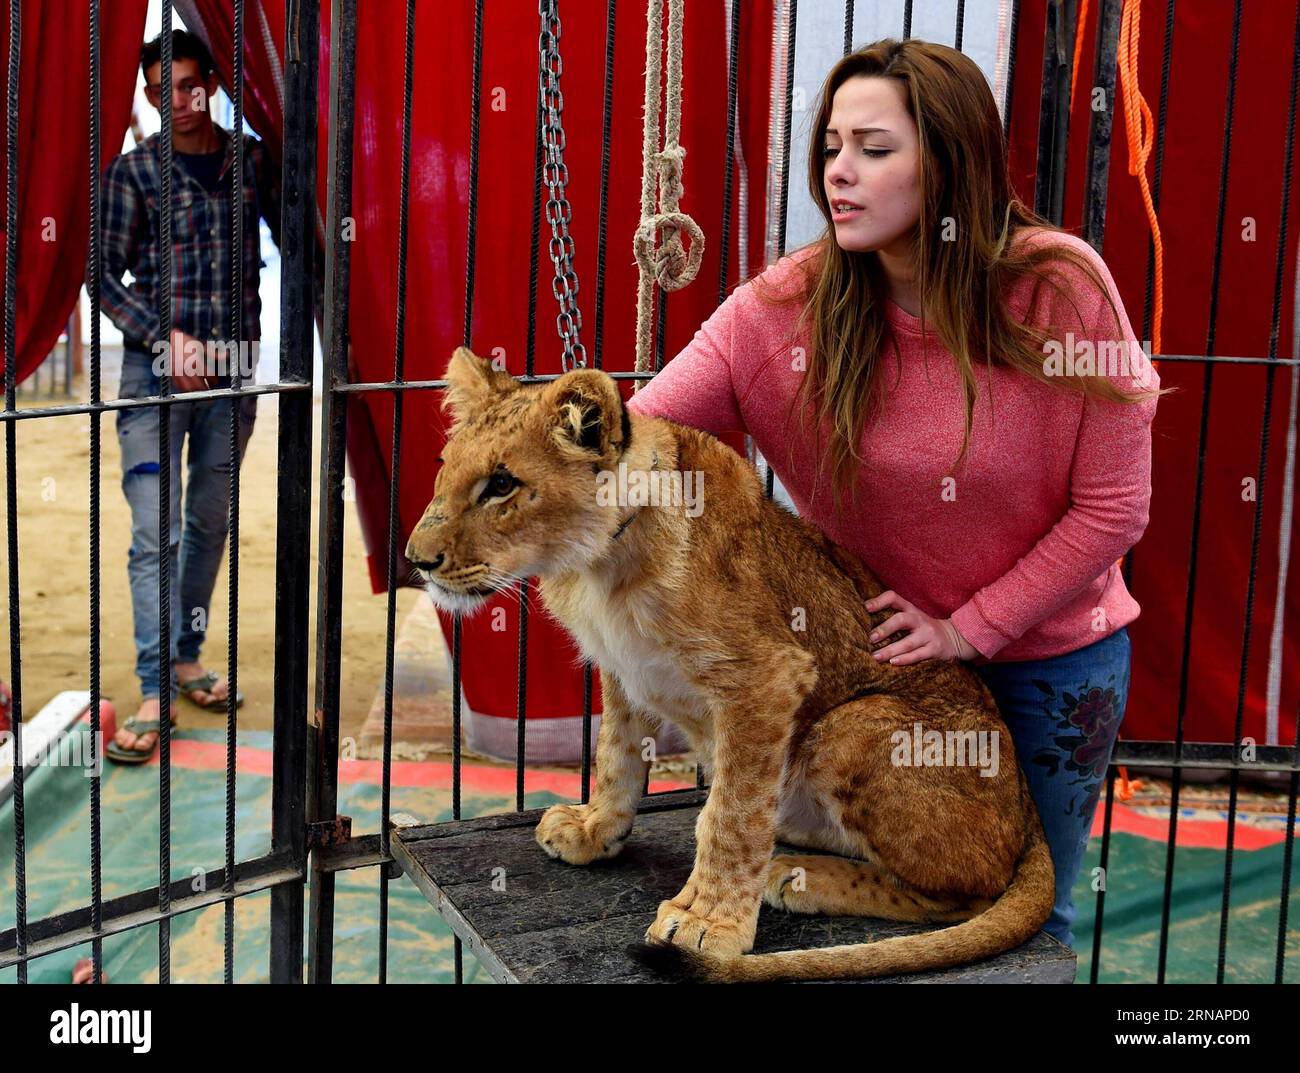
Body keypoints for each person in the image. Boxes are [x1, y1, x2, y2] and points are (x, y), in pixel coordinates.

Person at [625, 38, 1167, 949]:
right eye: (832, 147)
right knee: (854, 926)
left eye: (874, 150)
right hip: (873, 674)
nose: (840, 173)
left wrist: (967, 628)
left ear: (951, 165)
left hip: (1045, 660)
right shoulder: (782, 309)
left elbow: (1115, 510)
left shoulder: (1063, 289)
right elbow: (636, 440)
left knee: (1023, 924)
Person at [97, 30, 281, 763]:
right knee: (155, 533)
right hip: (151, 379)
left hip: (232, 377)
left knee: (208, 521)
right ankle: (152, 688)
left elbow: (296, 242)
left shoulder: (250, 163)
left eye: (187, 85)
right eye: (159, 91)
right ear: (145, 96)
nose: (176, 101)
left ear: (211, 81)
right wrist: (160, 335)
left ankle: (185, 657)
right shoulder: (134, 173)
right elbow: (102, 275)